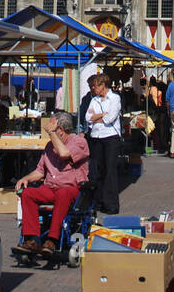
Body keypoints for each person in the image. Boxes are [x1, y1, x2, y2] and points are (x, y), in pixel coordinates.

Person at [14, 113, 89, 255]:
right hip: (50, 187)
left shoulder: (79, 142)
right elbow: (40, 171)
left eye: (52, 126)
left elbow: (64, 154)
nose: (47, 129)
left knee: (63, 193)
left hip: (71, 188)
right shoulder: (49, 146)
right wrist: (26, 178)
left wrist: (52, 133)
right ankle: (32, 239)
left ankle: (52, 240)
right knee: (28, 193)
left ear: (60, 129)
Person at [86, 73, 122, 214]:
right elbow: (88, 117)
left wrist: (97, 117)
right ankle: (98, 201)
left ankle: (111, 204)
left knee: (110, 171)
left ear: (102, 85)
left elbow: (111, 118)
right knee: (98, 170)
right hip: (96, 136)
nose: (93, 88)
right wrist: (101, 115)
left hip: (110, 136)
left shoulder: (115, 98)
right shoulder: (94, 99)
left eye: (94, 86)